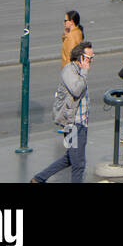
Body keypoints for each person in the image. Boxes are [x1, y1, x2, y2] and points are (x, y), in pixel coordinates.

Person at [31, 41, 94, 183]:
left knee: (70, 158)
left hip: (81, 124)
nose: (91, 61)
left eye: (92, 57)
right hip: (72, 124)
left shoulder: (79, 72)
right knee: (79, 164)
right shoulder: (69, 71)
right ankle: (39, 179)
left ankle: (39, 179)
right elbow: (76, 90)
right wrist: (85, 71)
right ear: (81, 57)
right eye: (89, 57)